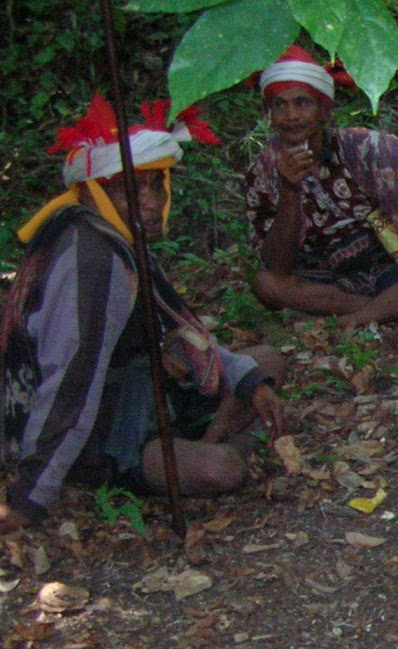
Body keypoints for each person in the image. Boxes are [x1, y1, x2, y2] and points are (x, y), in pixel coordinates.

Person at [1, 97, 284, 533]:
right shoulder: (94, 260)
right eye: (132, 190)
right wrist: (30, 496)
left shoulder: (113, 237)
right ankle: (221, 444)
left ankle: (206, 437)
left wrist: (246, 381)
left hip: (137, 390)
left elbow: (179, 326)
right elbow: (70, 381)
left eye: (157, 186)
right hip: (98, 432)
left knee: (263, 366)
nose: (152, 203)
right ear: (96, 192)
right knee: (220, 469)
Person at [244, 47, 398, 329]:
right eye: (280, 105)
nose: (291, 115)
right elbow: (277, 265)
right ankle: (390, 309)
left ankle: (353, 321)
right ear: (270, 113)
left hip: (388, 267)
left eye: (302, 103)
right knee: (267, 285)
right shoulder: (263, 171)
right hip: (324, 283)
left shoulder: (363, 147)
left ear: (323, 109)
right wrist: (290, 189)